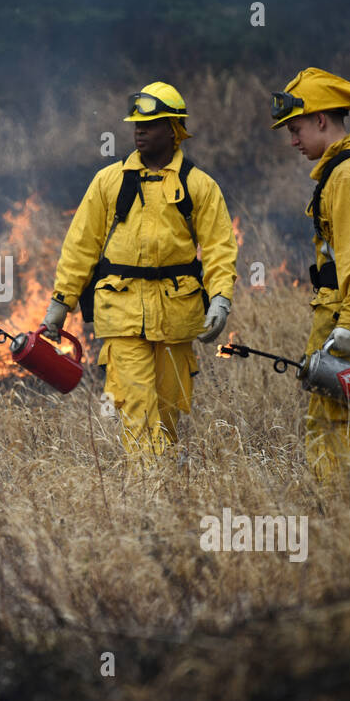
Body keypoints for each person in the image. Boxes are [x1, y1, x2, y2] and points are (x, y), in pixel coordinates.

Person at [42, 82, 237, 460]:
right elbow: (80, 247)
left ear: (173, 129)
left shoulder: (199, 185)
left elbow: (219, 249)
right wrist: (59, 304)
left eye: (149, 124)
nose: (139, 131)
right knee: (136, 408)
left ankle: (163, 491)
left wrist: (221, 300)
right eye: (136, 124)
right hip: (120, 315)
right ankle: (151, 493)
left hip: (177, 316)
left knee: (166, 412)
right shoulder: (109, 181)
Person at [270, 67, 350, 482]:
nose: (293, 141)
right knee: (339, 424)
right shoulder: (344, 170)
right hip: (346, 322)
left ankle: (345, 513)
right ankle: (346, 516)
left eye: (296, 129)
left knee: (341, 428)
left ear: (321, 120)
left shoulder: (346, 175)